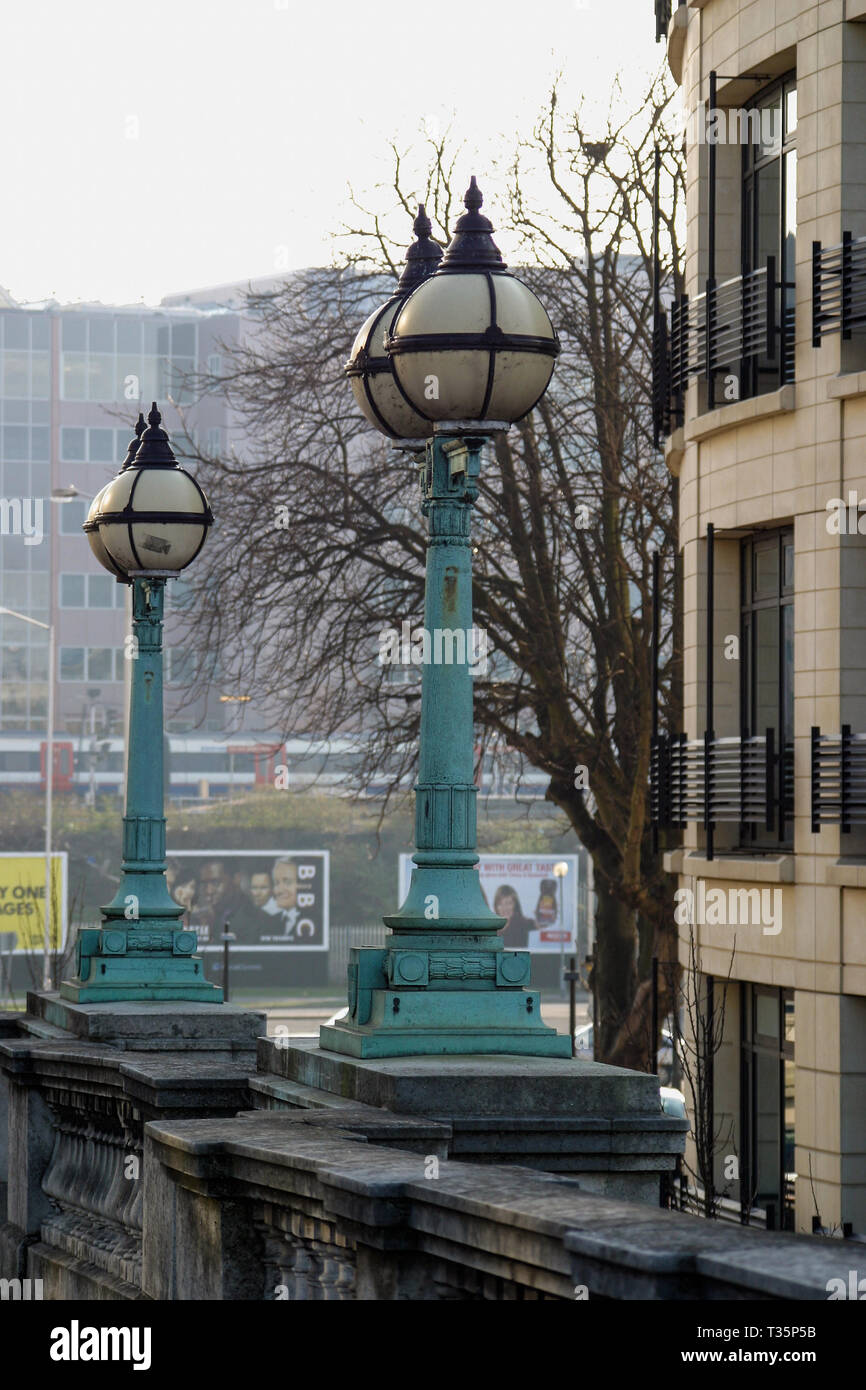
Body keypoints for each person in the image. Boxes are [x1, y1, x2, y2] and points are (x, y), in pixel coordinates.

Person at [189, 858, 271, 945]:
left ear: (237, 879)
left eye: (216, 882)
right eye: (204, 884)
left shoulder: (260, 922)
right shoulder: (200, 919)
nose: (209, 891)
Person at [493, 884, 534, 949]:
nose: (505, 908)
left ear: (515, 905)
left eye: (508, 903)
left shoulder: (524, 924)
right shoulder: (491, 926)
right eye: (500, 904)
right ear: (496, 906)